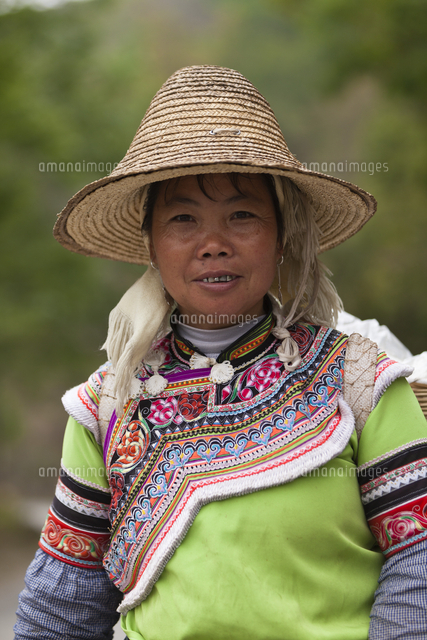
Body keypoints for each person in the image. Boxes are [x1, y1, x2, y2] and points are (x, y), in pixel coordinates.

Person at [15, 65, 427, 640]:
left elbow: (419, 562)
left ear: (282, 236)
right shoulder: (109, 405)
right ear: (151, 245)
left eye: (242, 215)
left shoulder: (360, 381)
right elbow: (62, 607)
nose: (213, 244)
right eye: (183, 219)